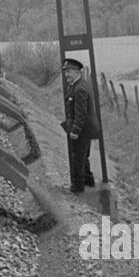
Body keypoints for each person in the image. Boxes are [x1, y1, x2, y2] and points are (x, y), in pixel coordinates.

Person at [61, 59, 99, 192]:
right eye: (66, 72)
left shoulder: (79, 89)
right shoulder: (78, 85)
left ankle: (78, 187)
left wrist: (75, 131)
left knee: (77, 157)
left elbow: (81, 113)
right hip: (85, 129)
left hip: (82, 130)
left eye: (69, 72)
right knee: (84, 156)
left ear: (77, 72)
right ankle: (89, 180)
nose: (67, 75)